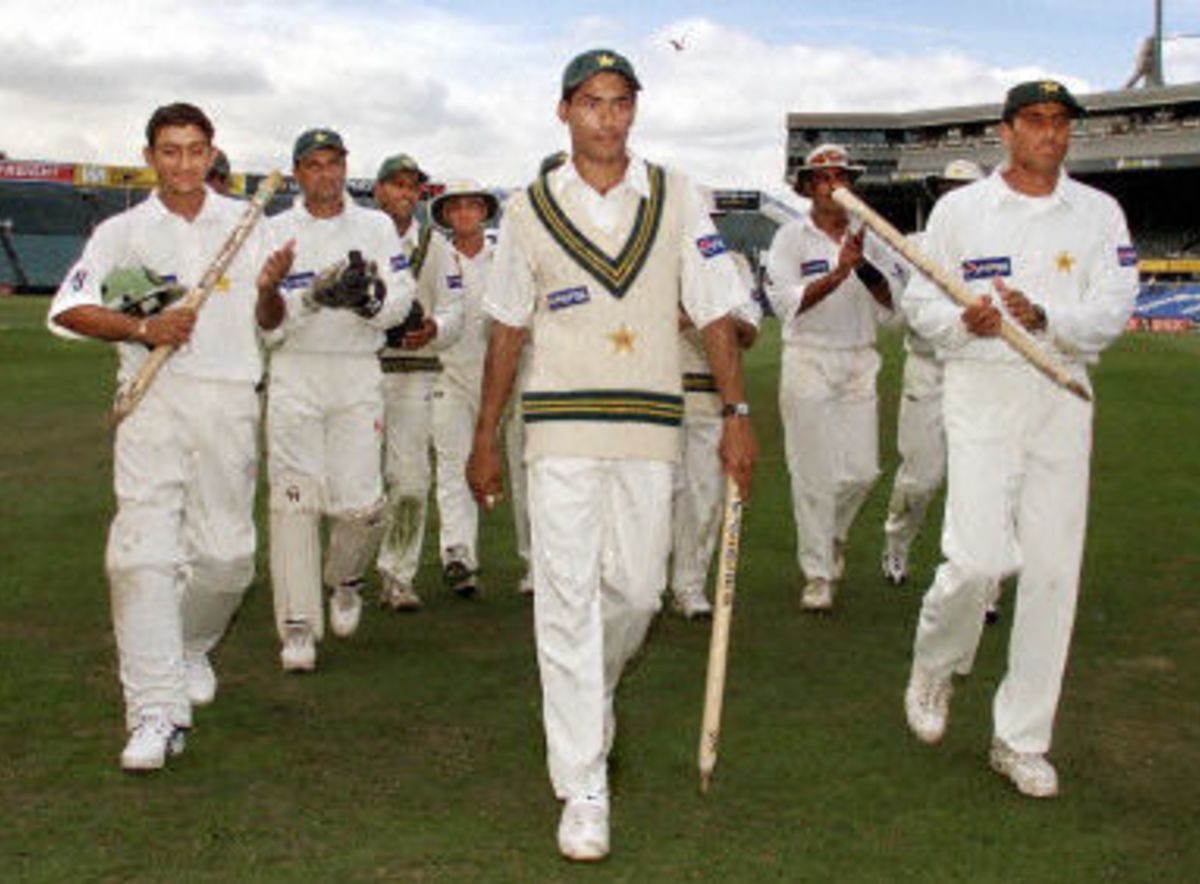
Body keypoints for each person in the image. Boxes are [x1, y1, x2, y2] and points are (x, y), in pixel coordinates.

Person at [465, 48, 756, 862]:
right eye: (591, 102)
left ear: (636, 108)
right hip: (556, 425)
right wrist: (485, 437)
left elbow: (716, 310)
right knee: (564, 597)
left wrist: (735, 413)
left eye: (620, 102)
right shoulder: (525, 210)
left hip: (651, 423)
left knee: (635, 593)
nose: (606, 116)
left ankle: (588, 704)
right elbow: (507, 330)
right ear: (564, 112)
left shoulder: (677, 197)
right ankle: (582, 781)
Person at [901, 80, 1138, 798]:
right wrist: (958, 323)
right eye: (1036, 121)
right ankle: (937, 662)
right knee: (975, 561)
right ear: (1006, 132)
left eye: (1062, 123)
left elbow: (1115, 306)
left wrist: (1049, 318)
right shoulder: (961, 211)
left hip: (1061, 391)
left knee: (1053, 573)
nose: (1051, 134)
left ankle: (1020, 737)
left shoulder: (1099, 213)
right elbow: (921, 305)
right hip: (982, 388)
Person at [48, 102, 266, 771]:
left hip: (230, 399)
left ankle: (190, 645)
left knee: (227, 558)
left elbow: (274, 323)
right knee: (139, 554)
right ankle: (154, 712)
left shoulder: (251, 225)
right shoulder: (122, 232)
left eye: (195, 150)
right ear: (150, 156)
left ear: (212, 153)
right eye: (169, 151)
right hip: (153, 399)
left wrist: (277, 291)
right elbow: (72, 309)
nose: (183, 163)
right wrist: (145, 330)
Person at [256, 128, 414, 672]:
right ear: (298, 172)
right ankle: (297, 628)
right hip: (296, 373)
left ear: (346, 168)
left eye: (334, 163)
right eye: (314, 165)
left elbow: (401, 297)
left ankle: (346, 581)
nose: (326, 174)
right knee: (294, 503)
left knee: (362, 507)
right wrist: (311, 297)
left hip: (356, 373)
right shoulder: (274, 231)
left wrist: (370, 305)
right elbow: (266, 323)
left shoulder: (374, 227)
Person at [764, 143, 901, 613]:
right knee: (812, 475)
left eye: (840, 177)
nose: (832, 186)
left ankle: (833, 535)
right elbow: (787, 304)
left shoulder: (872, 236)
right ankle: (818, 574)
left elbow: (893, 306)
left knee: (863, 471)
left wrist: (861, 266)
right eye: (822, 179)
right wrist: (838, 272)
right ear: (806, 187)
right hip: (808, 358)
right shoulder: (789, 238)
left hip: (860, 358)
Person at [881, 160, 983, 586]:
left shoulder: (998, 242)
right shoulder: (913, 245)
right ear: (938, 192)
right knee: (921, 478)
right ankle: (896, 547)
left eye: (965, 189)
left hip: (982, 373)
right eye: (949, 188)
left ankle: (980, 574)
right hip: (927, 369)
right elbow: (899, 313)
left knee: (980, 479)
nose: (955, 196)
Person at [372, 154, 465, 610]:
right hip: (357, 372)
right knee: (351, 481)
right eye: (397, 185)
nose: (405, 193)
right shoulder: (356, 235)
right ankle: (345, 571)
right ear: (378, 190)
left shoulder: (436, 246)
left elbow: (455, 309)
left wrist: (434, 329)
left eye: (412, 186)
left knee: (409, 476)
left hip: (414, 375)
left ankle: (397, 574)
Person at [669, 248, 761, 618]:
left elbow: (749, 331)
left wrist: (708, 319)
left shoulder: (732, 265)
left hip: (711, 395)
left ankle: (689, 586)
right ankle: (646, 582)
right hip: (654, 394)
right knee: (656, 494)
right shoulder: (649, 257)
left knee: (705, 497)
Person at [427, 180, 500, 596]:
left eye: (473, 206)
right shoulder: (435, 256)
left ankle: (534, 564)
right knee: (453, 464)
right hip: (451, 373)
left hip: (504, 379)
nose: (466, 214)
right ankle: (459, 555)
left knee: (522, 471)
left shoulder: (505, 253)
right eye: (457, 208)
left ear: (484, 213)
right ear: (447, 215)